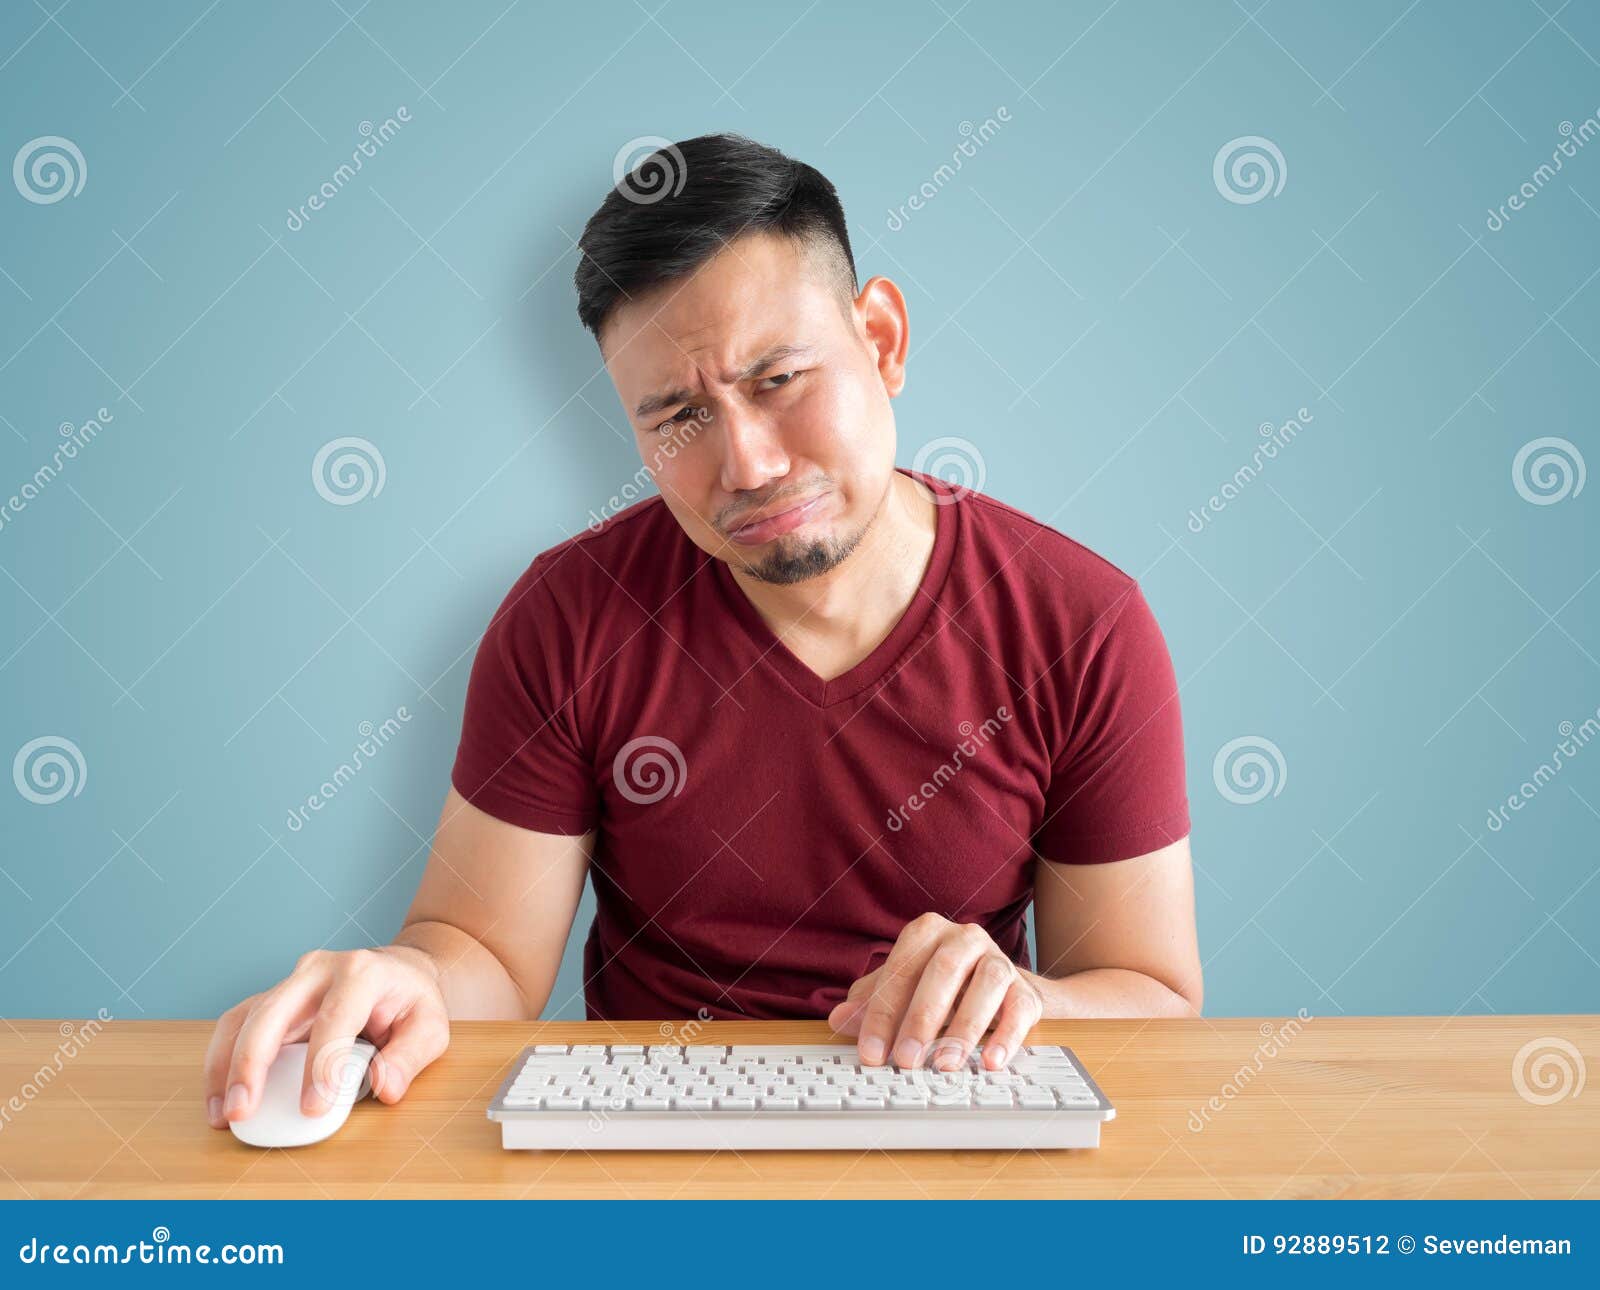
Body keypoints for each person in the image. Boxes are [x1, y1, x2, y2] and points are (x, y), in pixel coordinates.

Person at [203, 133, 1201, 1128]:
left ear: (883, 339)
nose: (749, 465)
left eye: (779, 380)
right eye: (679, 416)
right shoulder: (566, 618)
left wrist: (1036, 1003)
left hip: (958, 1130)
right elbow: (488, 957)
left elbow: (1151, 995)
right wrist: (405, 979)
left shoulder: (1080, 623)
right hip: (646, 1156)